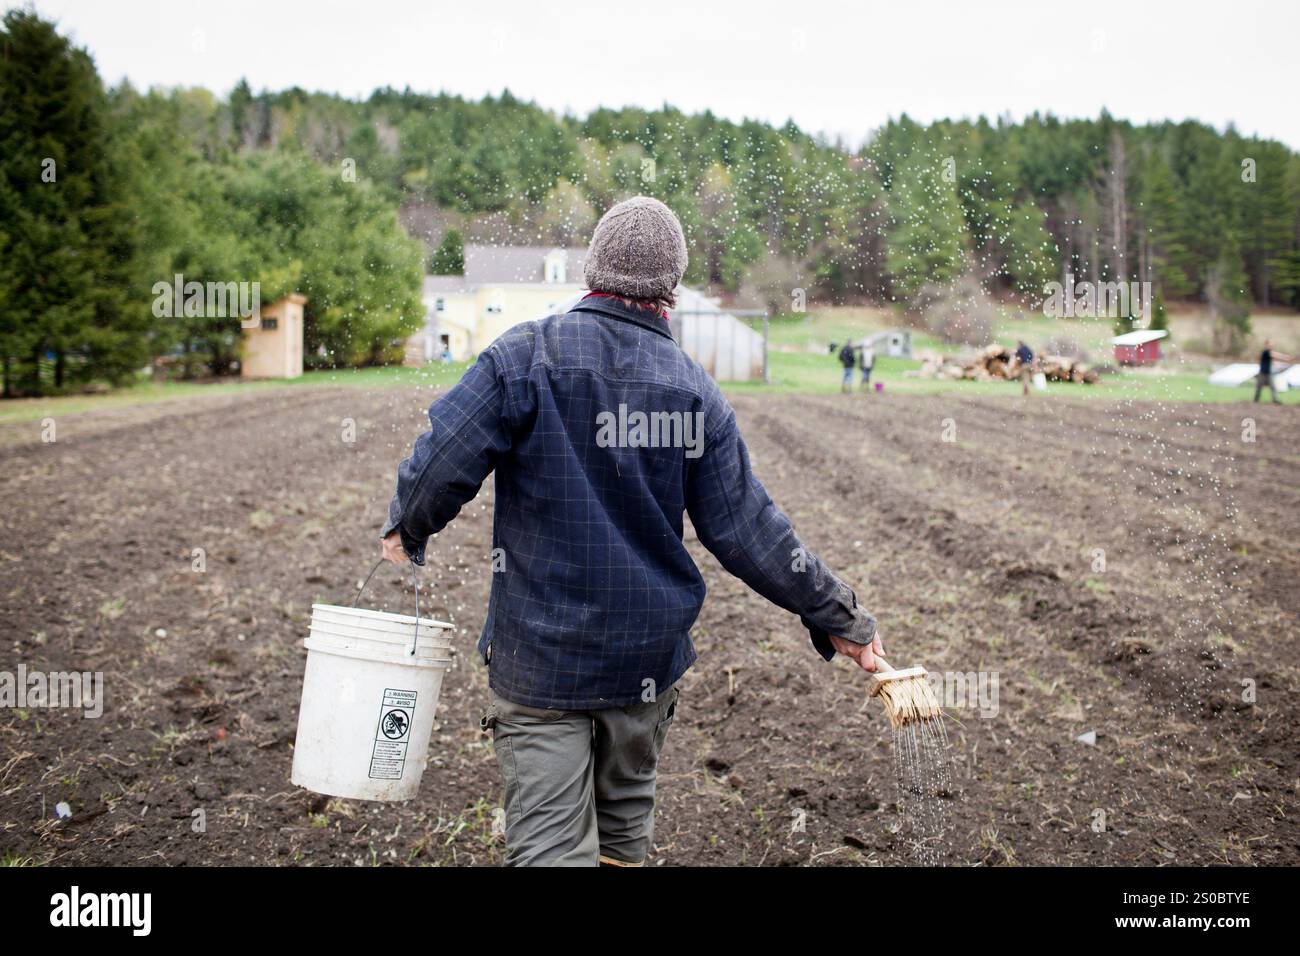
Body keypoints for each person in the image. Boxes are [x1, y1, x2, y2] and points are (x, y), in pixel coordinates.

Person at [379, 196, 881, 867]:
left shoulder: (525, 357)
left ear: (592, 269)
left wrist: (408, 527)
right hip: (644, 666)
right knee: (620, 841)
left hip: (542, 667)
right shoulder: (694, 392)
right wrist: (840, 616)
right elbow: (747, 530)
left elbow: (441, 460)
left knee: (552, 851)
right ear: (670, 290)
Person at [1254, 339, 1293, 404]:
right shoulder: (1266, 352)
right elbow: (1275, 355)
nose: (1271, 346)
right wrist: (1285, 357)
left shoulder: (1269, 353)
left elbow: (1273, 361)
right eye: (1270, 344)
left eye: (1272, 344)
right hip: (1262, 372)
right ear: (1266, 345)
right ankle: (1256, 400)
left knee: (1273, 387)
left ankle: (1275, 400)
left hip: (1269, 373)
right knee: (1259, 387)